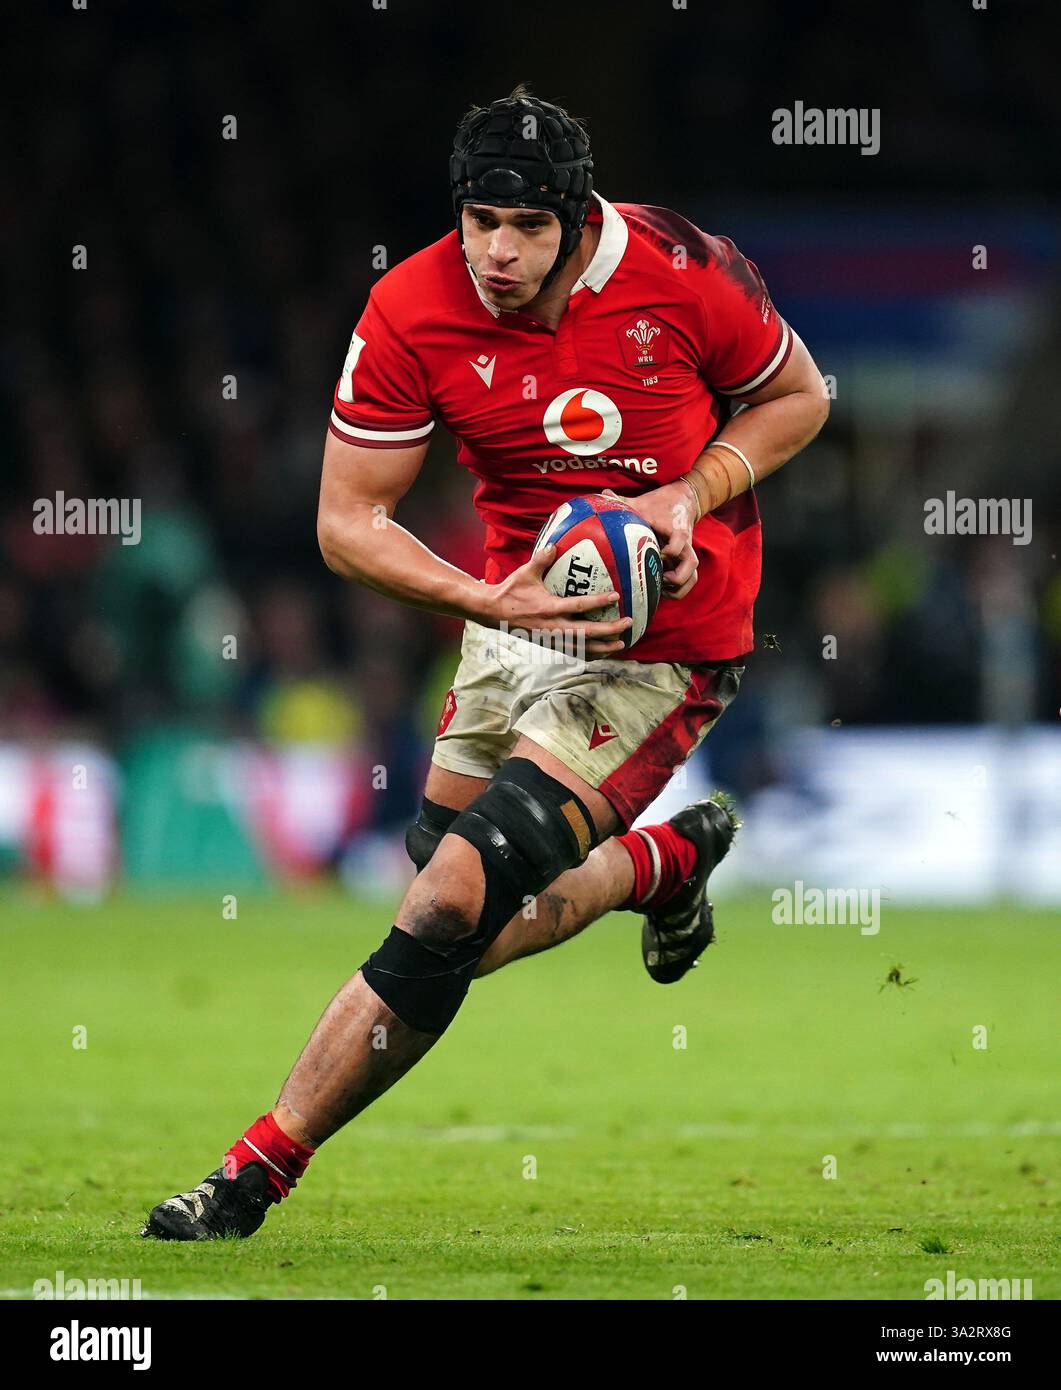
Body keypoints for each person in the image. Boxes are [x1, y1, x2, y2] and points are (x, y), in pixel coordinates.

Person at [142, 84, 828, 1240]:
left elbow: (796, 396)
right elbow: (346, 519)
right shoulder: (409, 309)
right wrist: (480, 595)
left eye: (526, 229)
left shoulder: (682, 267)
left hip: (661, 646)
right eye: (476, 223)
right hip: (511, 622)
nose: (497, 253)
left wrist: (686, 492)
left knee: (450, 897)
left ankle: (252, 1173)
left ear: (577, 217)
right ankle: (658, 866)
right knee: (453, 911)